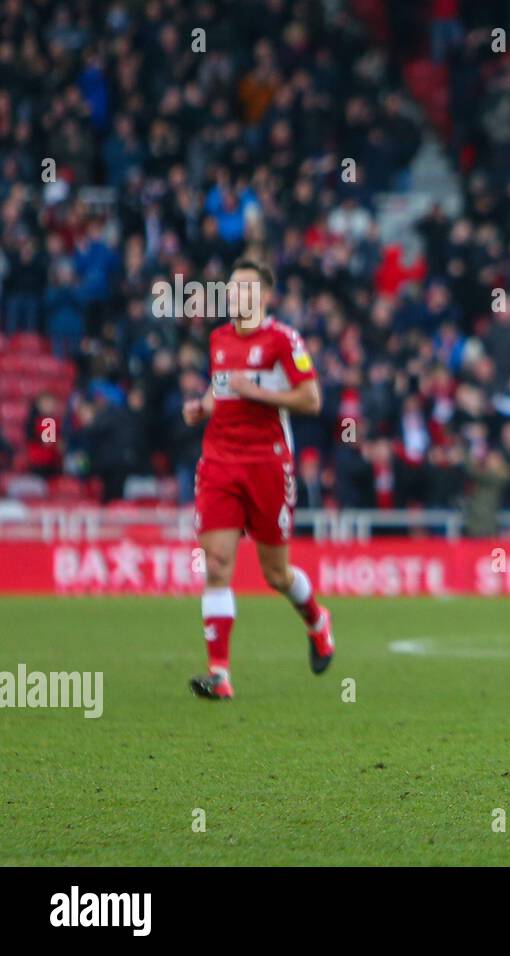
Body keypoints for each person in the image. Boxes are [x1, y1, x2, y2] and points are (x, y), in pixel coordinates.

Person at [183, 259, 334, 700]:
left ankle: (317, 622)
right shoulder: (218, 339)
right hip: (218, 462)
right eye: (232, 289)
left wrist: (259, 392)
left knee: (276, 573)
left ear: (265, 297)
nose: (236, 295)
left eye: (246, 289)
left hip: (267, 465)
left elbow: (311, 399)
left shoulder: (283, 341)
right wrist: (203, 405)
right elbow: (221, 385)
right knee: (216, 564)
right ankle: (220, 673)